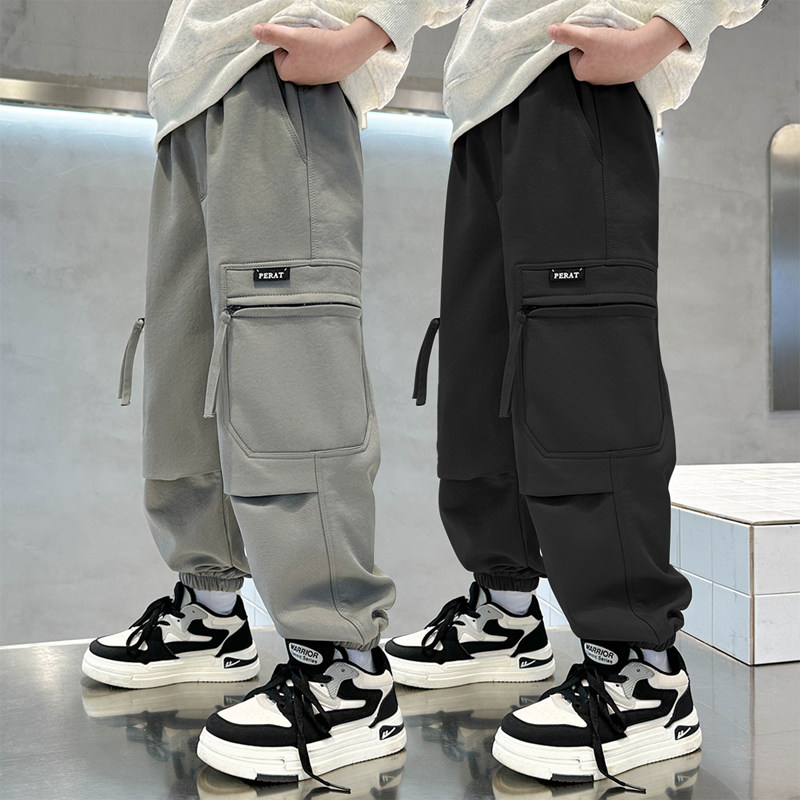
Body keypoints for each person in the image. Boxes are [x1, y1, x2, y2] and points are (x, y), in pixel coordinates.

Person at [381, 0, 768, 792]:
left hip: (580, 82)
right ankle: (506, 611)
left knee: (583, 378)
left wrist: (668, 29)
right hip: (484, 107)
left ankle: (640, 672)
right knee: (484, 373)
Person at [80, 0, 464, 790]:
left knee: (291, 376)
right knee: (187, 371)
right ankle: (212, 612)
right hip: (189, 102)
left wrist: (369, 32)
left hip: (281, 83)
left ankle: (344, 671)